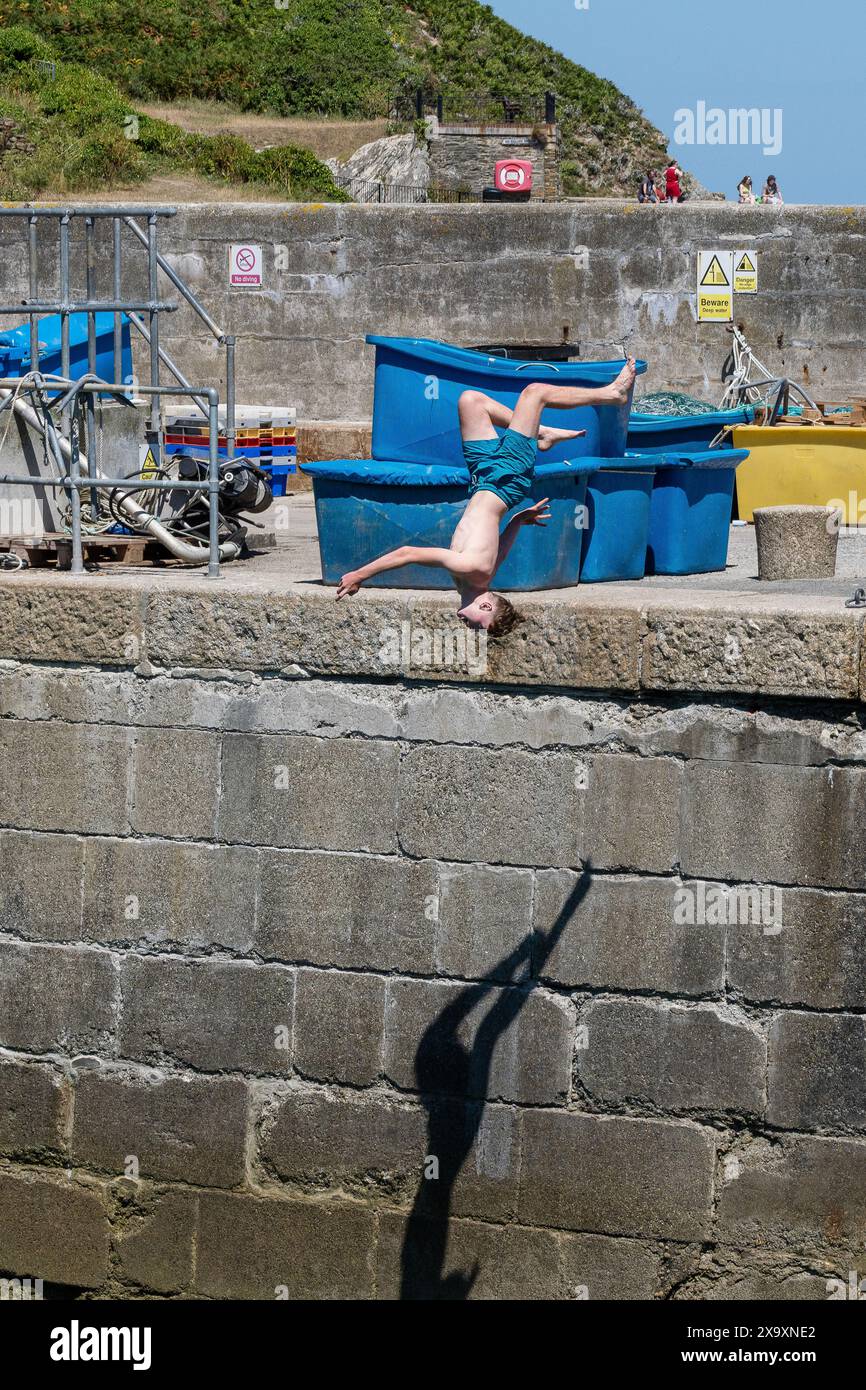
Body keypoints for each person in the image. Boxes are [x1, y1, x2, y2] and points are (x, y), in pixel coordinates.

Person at [336, 361, 638, 634]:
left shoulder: (476, 578)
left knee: (471, 401)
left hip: (483, 478)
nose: (472, 629)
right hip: (507, 481)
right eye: (481, 626)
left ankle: (541, 434)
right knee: (535, 393)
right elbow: (407, 554)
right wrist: (360, 575)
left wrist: (519, 520)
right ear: (485, 607)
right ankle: (612, 395)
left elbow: (502, 551)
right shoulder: (471, 569)